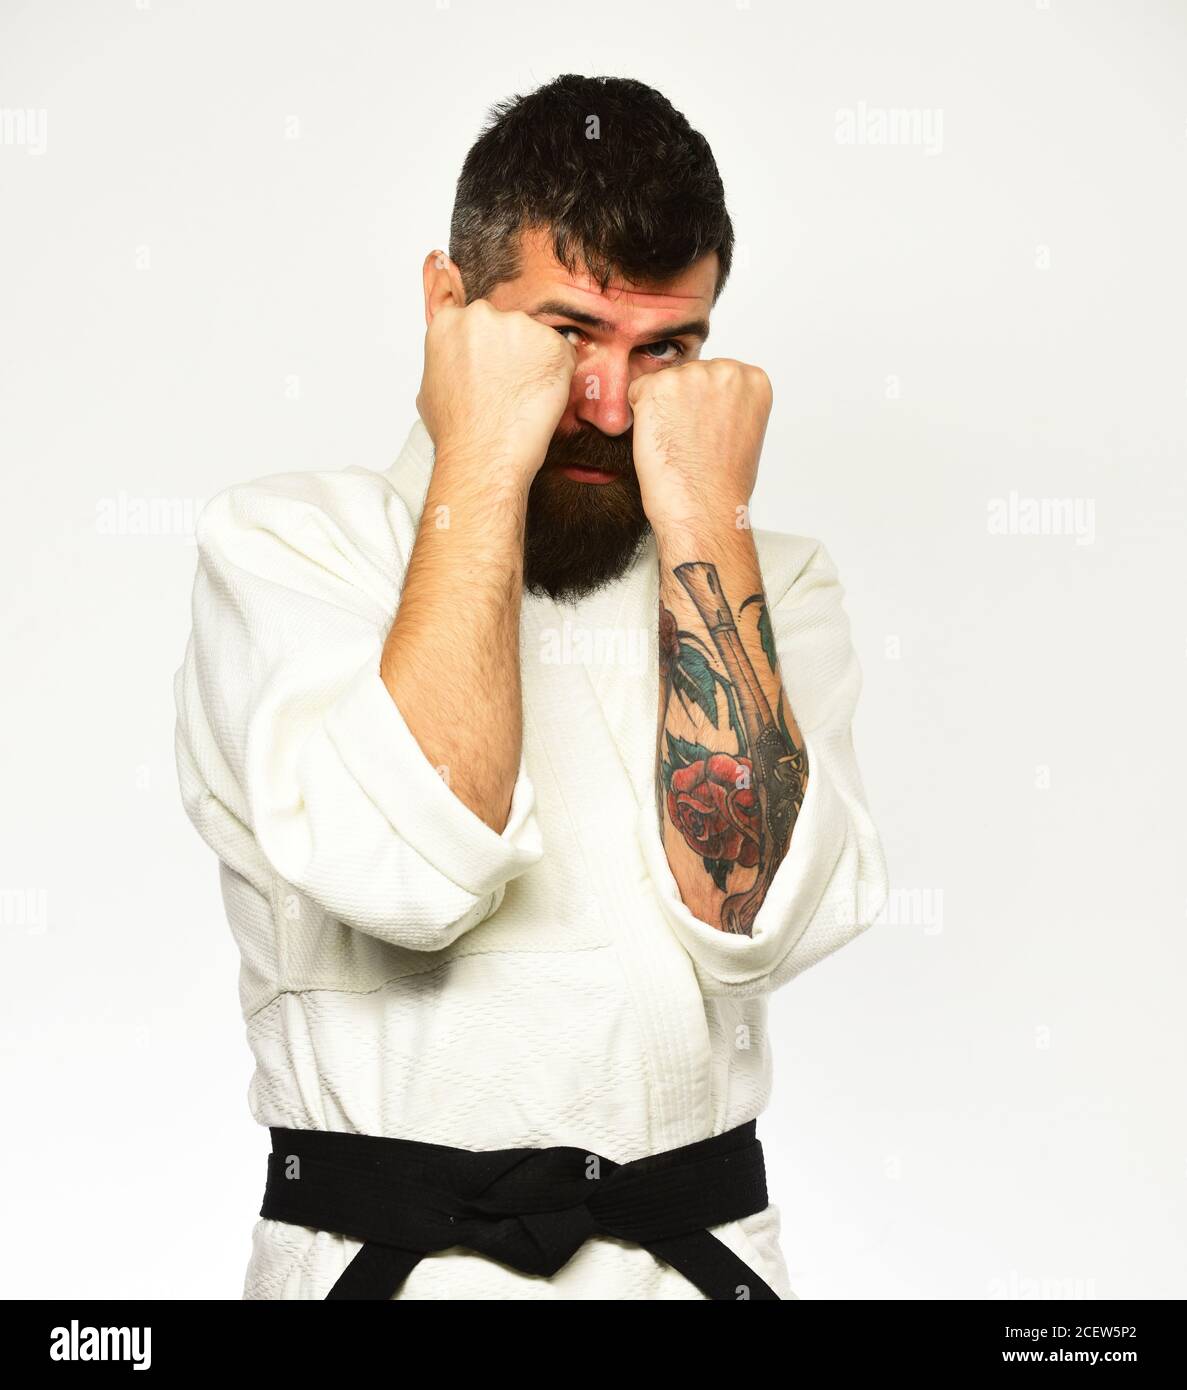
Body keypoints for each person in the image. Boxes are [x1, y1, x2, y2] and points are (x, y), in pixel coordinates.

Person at [173, 73, 889, 1300]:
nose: (609, 405)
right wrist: (483, 455)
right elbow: (409, 875)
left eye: (664, 351)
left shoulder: (770, 578)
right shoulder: (289, 548)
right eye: (566, 335)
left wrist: (702, 513)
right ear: (448, 306)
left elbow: (758, 921)